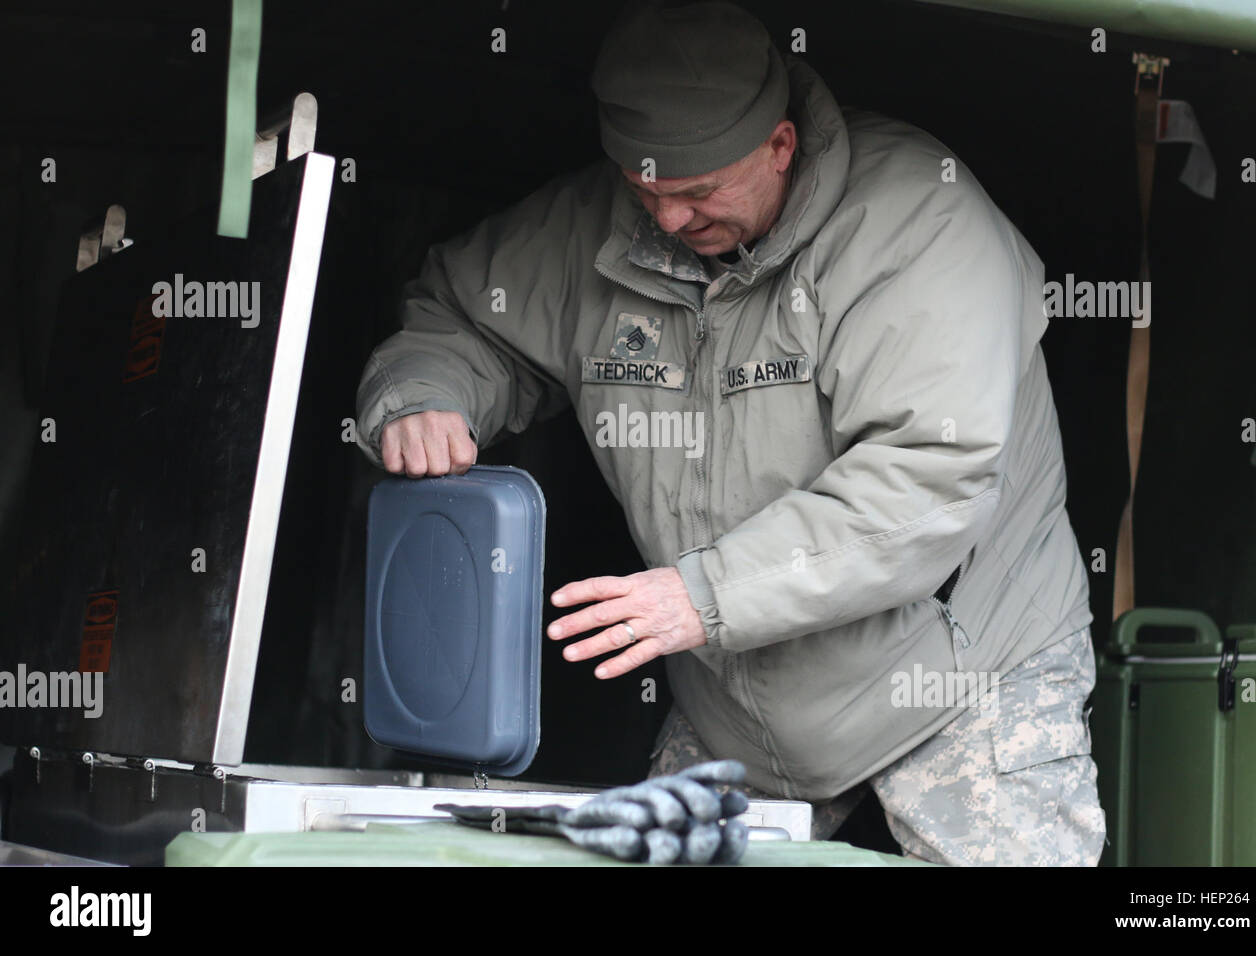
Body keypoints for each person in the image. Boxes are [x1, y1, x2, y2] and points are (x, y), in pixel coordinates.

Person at [355, 0, 1105, 865]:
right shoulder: (595, 227)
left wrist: (702, 597)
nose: (668, 220)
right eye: (645, 191)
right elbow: (460, 312)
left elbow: (926, 481)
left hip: (963, 680)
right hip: (736, 709)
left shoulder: (918, 225)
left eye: (699, 192)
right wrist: (424, 395)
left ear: (779, 145)